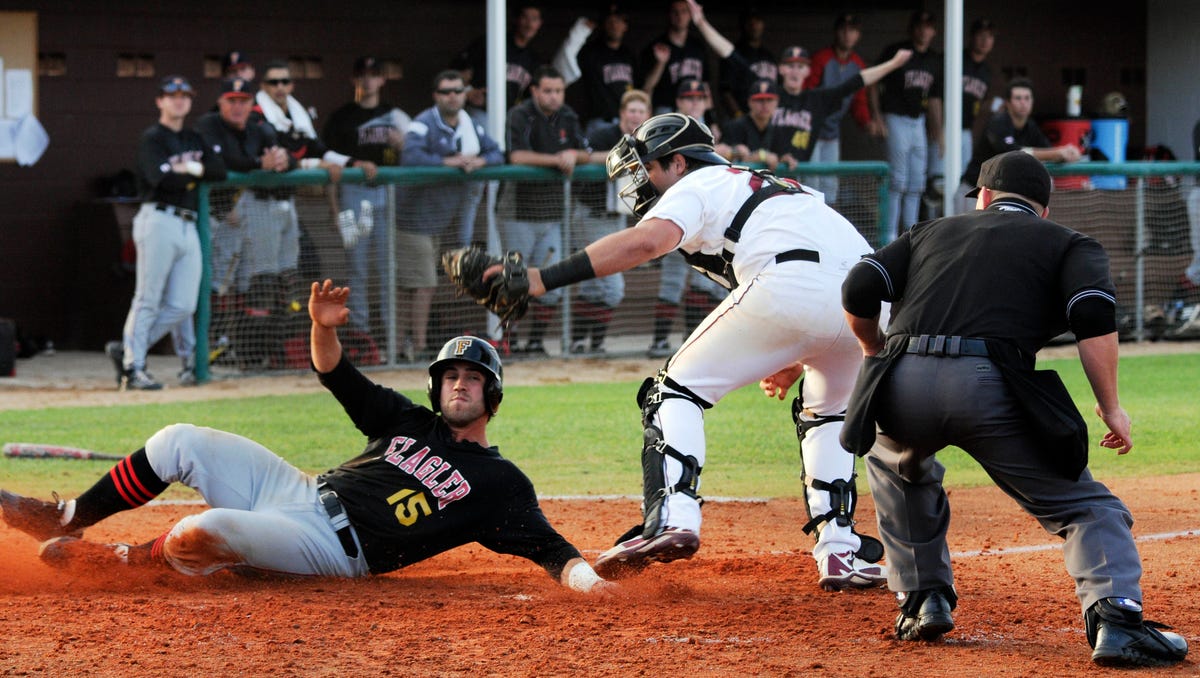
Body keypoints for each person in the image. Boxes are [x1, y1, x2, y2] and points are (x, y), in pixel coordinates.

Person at [0, 281, 613, 595]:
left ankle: (123, 564)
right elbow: (334, 372)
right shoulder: (408, 422)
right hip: (295, 491)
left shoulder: (499, 482)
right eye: (450, 375)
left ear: (492, 396)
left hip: (335, 551)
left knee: (200, 532)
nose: (459, 384)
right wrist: (322, 328)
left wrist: (593, 586)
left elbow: (554, 552)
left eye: (472, 379)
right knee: (178, 437)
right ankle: (67, 515)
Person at [497, 112, 888, 589]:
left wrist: (542, 279)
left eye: (649, 168)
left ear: (678, 161)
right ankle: (840, 551)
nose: (641, 182)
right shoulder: (777, 187)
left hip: (792, 284)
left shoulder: (698, 183)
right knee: (826, 418)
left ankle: (672, 516)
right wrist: (796, 353)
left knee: (672, 392)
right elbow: (826, 275)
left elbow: (646, 242)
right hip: (867, 300)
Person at [839, 151, 1190, 666]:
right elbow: (1093, 314)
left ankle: (923, 599)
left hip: (901, 379)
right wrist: (1110, 407)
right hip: (988, 384)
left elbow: (859, 285)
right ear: (1043, 210)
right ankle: (1116, 619)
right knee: (1083, 506)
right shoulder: (1069, 242)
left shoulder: (930, 230)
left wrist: (873, 348)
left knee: (899, 470)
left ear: (982, 197)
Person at [104, 76, 227, 391]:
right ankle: (134, 369)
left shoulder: (194, 137)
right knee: (148, 298)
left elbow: (218, 170)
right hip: (158, 219)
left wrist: (190, 170)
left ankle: (130, 349)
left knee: (184, 305)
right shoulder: (153, 138)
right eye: (172, 95)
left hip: (189, 223)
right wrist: (188, 174)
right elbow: (161, 180)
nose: (179, 100)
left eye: (185, 95)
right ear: (160, 100)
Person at [195, 77, 297, 370]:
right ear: (221, 103)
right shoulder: (208, 125)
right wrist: (256, 163)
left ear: (251, 103)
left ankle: (238, 348)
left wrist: (281, 160)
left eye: (243, 100)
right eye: (232, 100)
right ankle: (209, 346)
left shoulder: (259, 129)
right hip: (215, 218)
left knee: (245, 286)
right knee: (215, 285)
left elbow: (286, 157)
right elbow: (220, 161)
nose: (238, 107)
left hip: (247, 220)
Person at [402, 70, 504, 360]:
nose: (452, 96)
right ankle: (413, 348)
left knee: (424, 284)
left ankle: (410, 346)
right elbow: (410, 156)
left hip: (443, 221)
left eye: (458, 91)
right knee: (420, 285)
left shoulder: (470, 125)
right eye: (446, 91)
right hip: (413, 218)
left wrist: (479, 160)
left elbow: (497, 153)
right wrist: (449, 162)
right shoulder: (423, 123)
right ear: (436, 95)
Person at [323, 56, 409, 358]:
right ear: (354, 80)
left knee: (388, 269)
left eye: (374, 75)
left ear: (382, 80)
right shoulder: (341, 117)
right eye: (363, 75)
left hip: (387, 192)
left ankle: (391, 337)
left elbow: (417, 154)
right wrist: (335, 211)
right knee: (357, 268)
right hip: (353, 193)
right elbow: (328, 162)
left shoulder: (395, 115)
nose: (368, 80)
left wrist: (403, 145)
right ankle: (362, 336)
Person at [503, 65, 592, 356]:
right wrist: (556, 160)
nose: (554, 97)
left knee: (551, 281)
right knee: (513, 281)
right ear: (535, 91)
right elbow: (516, 156)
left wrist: (572, 155)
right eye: (548, 91)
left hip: (553, 213)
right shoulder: (520, 114)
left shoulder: (568, 115)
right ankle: (507, 341)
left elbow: (585, 152)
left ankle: (535, 342)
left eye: (558, 91)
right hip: (517, 212)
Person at [647, 77, 730, 358]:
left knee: (705, 282)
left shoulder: (711, 133)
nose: (694, 103)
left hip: (708, 222)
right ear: (679, 101)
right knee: (672, 282)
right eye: (688, 97)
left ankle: (694, 341)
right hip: (677, 215)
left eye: (699, 97)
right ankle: (659, 340)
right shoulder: (669, 130)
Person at [567, 88, 650, 354]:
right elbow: (582, 155)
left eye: (641, 111)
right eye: (631, 111)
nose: (635, 116)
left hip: (618, 218)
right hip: (590, 213)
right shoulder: (605, 133)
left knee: (595, 286)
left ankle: (587, 343)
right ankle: (586, 341)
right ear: (622, 114)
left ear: (647, 115)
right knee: (610, 287)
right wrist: (617, 158)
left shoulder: (649, 139)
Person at [955, 78, 1082, 214]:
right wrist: (1058, 152)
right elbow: (1011, 152)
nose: (1023, 103)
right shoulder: (998, 122)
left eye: (1027, 98)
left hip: (1001, 196)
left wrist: (1067, 153)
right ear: (1008, 103)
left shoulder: (1030, 126)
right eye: (1018, 98)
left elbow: (1047, 150)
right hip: (975, 191)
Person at [869, 10, 943, 242]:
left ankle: (911, 234)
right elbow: (873, 82)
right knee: (897, 179)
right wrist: (877, 116)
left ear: (934, 31)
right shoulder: (897, 52)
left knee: (916, 182)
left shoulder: (934, 59)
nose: (924, 30)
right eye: (920, 25)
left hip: (918, 121)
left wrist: (938, 131)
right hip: (895, 117)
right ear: (912, 28)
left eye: (928, 26)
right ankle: (889, 235)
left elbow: (934, 98)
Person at [805, 13, 879, 206]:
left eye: (852, 30)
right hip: (811, 131)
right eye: (844, 30)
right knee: (811, 184)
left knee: (830, 186)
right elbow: (807, 95)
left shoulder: (858, 65)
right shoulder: (821, 59)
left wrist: (866, 122)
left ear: (858, 35)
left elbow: (859, 101)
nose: (848, 35)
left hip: (832, 132)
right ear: (836, 32)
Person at [925, 18, 996, 219]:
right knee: (938, 184)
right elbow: (935, 97)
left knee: (963, 184)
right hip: (945, 129)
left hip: (965, 133)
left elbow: (980, 109)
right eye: (980, 36)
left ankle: (955, 226)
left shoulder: (986, 72)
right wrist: (939, 133)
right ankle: (930, 228)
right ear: (971, 38)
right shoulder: (954, 59)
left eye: (989, 37)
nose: (984, 41)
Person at [553, 3, 638, 137]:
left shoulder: (629, 55)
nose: (614, 25)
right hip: (599, 122)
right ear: (603, 24)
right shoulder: (590, 52)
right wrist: (580, 32)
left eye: (618, 21)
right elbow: (565, 61)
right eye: (610, 21)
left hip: (628, 122)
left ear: (625, 25)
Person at [457, 3, 545, 114]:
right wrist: (468, 91)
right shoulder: (491, 43)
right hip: (480, 112)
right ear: (517, 19)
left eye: (534, 19)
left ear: (539, 24)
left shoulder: (533, 59)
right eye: (525, 17)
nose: (529, 24)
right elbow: (457, 70)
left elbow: (532, 96)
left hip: (509, 118)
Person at [640, 0, 709, 113]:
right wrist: (660, 63)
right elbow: (646, 88)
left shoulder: (698, 47)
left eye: (684, 11)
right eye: (675, 12)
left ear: (691, 15)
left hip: (695, 109)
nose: (680, 16)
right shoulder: (656, 47)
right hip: (666, 109)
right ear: (669, 15)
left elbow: (705, 84)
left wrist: (710, 118)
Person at [716, 9, 775, 120]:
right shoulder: (733, 55)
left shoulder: (768, 56)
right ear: (743, 26)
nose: (754, 26)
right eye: (750, 23)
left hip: (767, 119)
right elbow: (725, 91)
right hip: (743, 116)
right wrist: (738, 115)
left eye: (757, 22)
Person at [720, 78, 784, 170]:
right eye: (759, 100)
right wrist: (761, 156)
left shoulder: (777, 130)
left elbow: (779, 156)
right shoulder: (735, 126)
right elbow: (721, 157)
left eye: (769, 100)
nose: (765, 104)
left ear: (777, 102)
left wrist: (784, 159)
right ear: (750, 102)